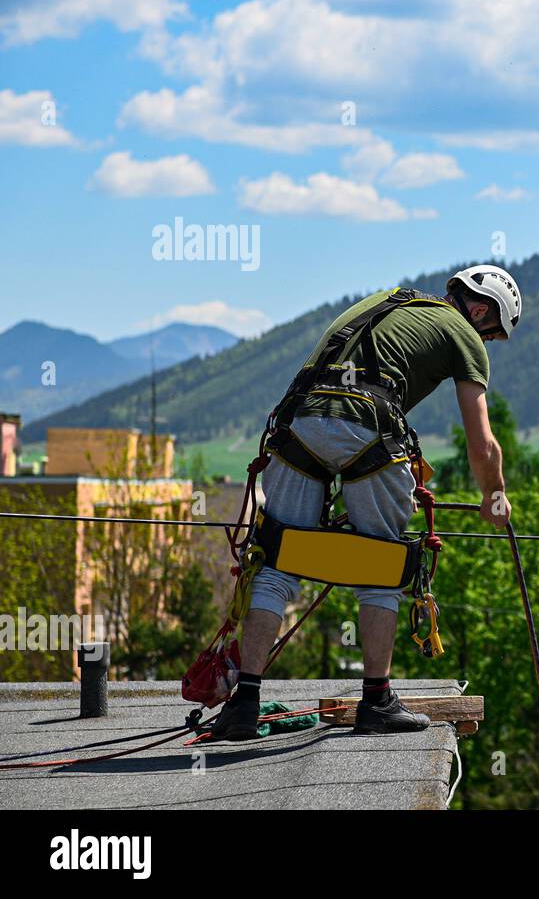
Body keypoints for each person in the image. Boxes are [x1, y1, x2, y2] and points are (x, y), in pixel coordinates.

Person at [207, 265, 522, 740]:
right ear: (480, 311)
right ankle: (376, 701)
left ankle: (243, 703)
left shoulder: (392, 302)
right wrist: (494, 495)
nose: (488, 342)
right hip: (368, 427)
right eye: (493, 333)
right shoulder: (464, 334)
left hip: (300, 425)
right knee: (382, 563)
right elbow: (483, 443)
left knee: (275, 559)